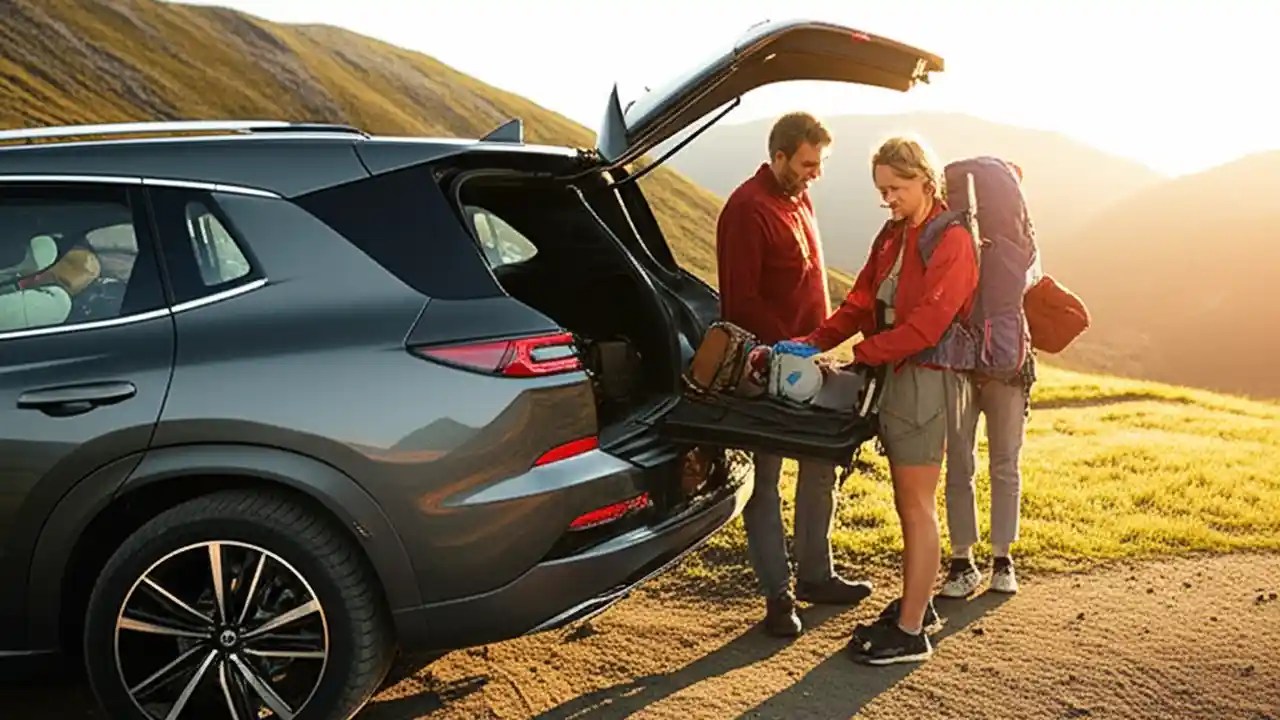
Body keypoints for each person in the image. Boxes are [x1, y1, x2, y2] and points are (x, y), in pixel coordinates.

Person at [798, 135, 978, 664]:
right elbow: (859, 301)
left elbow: (927, 325)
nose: (888, 199)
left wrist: (862, 356)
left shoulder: (953, 241)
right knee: (909, 502)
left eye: (895, 188)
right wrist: (811, 343)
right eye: (882, 190)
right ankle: (916, 606)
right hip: (898, 373)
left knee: (916, 504)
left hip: (927, 378)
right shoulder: (894, 233)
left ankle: (910, 632)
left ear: (926, 179)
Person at [715, 111, 875, 637]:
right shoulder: (746, 209)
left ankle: (816, 575)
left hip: (810, 363)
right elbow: (742, 301)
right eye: (808, 163)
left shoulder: (797, 198)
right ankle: (778, 596)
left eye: (820, 164)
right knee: (764, 480)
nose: (816, 174)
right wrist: (786, 351)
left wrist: (818, 346)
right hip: (766, 367)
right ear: (778, 156)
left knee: (818, 465)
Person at [941, 160, 1035, 598]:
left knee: (960, 463)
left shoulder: (948, 234)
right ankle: (1003, 561)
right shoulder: (1022, 240)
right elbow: (1030, 284)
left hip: (958, 358)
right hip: (1009, 363)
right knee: (1005, 464)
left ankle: (962, 562)